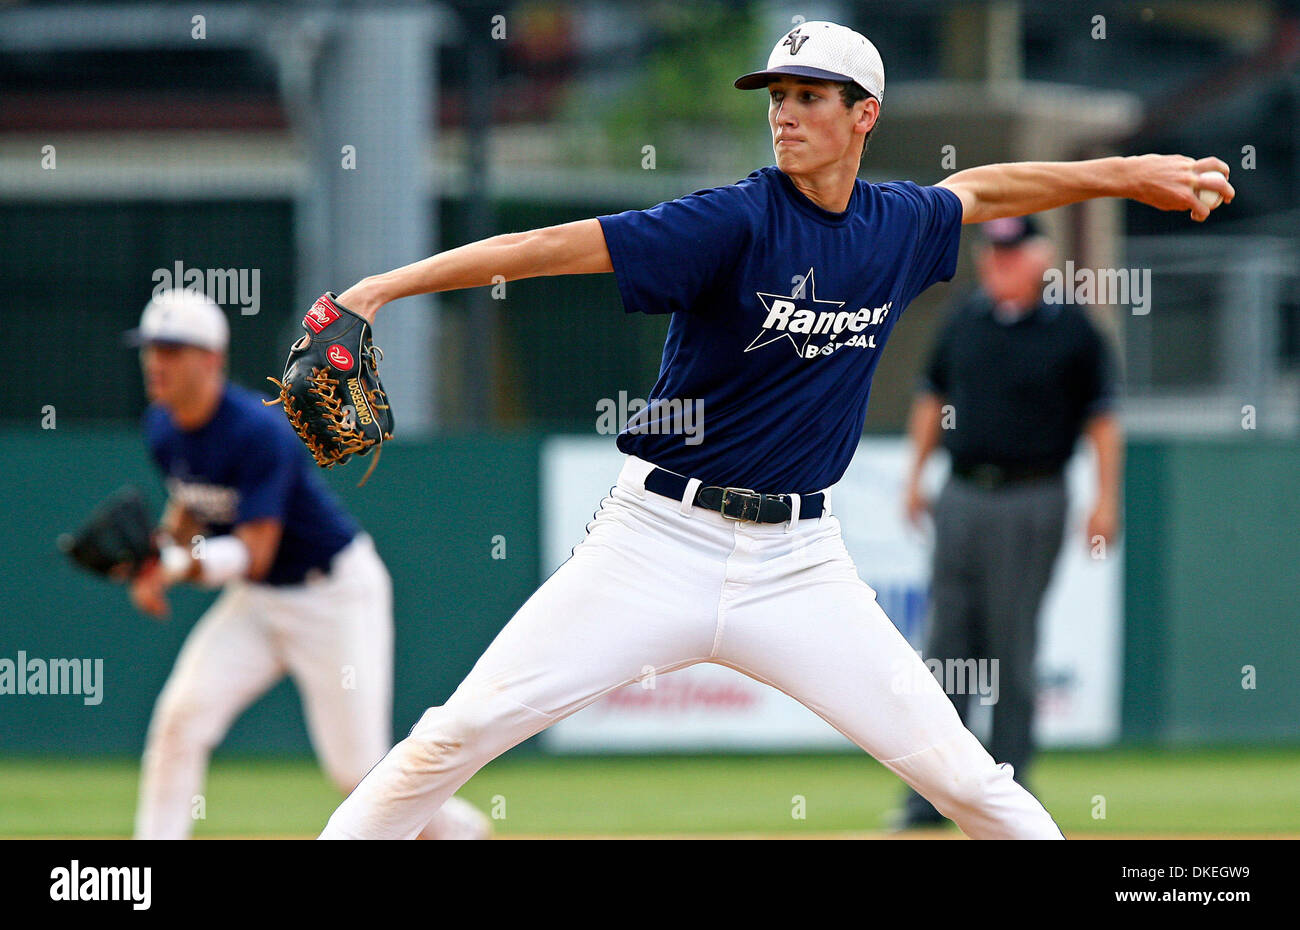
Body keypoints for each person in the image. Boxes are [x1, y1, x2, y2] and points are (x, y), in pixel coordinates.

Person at [312, 20, 1231, 839]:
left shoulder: (897, 226)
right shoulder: (730, 222)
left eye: (808, 96)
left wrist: (1127, 175)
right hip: (655, 542)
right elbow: (552, 248)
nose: (784, 113)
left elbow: (986, 190)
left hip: (800, 566)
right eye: (777, 95)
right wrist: (380, 287)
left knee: (969, 781)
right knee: (454, 735)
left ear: (864, 114)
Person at [126, 288, 490, 840]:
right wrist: (158, 554)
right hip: (261, 601)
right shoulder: (163, 427)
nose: (156, 361)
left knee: (356, 773)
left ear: (211, 359)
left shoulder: (257, 431)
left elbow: (254, 553)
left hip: (333, 595)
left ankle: (459, 830)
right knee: (181, 718)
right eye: (151, 348)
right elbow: (192, 501)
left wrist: (177, 566)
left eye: (172, 349)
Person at [893, 215, 1122, 830]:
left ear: (1041, 256)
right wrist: (916, 475)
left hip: (1033, 495)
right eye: (991, 252)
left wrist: (1106, 500)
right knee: (947, 646)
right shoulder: (966, 318)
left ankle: (1009, 791)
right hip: (962, 493)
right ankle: (935, 793)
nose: (998, 263)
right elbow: (930, 395)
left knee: (1011, 643)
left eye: (1011, 252)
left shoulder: (1072, 329)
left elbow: (1102, 420)